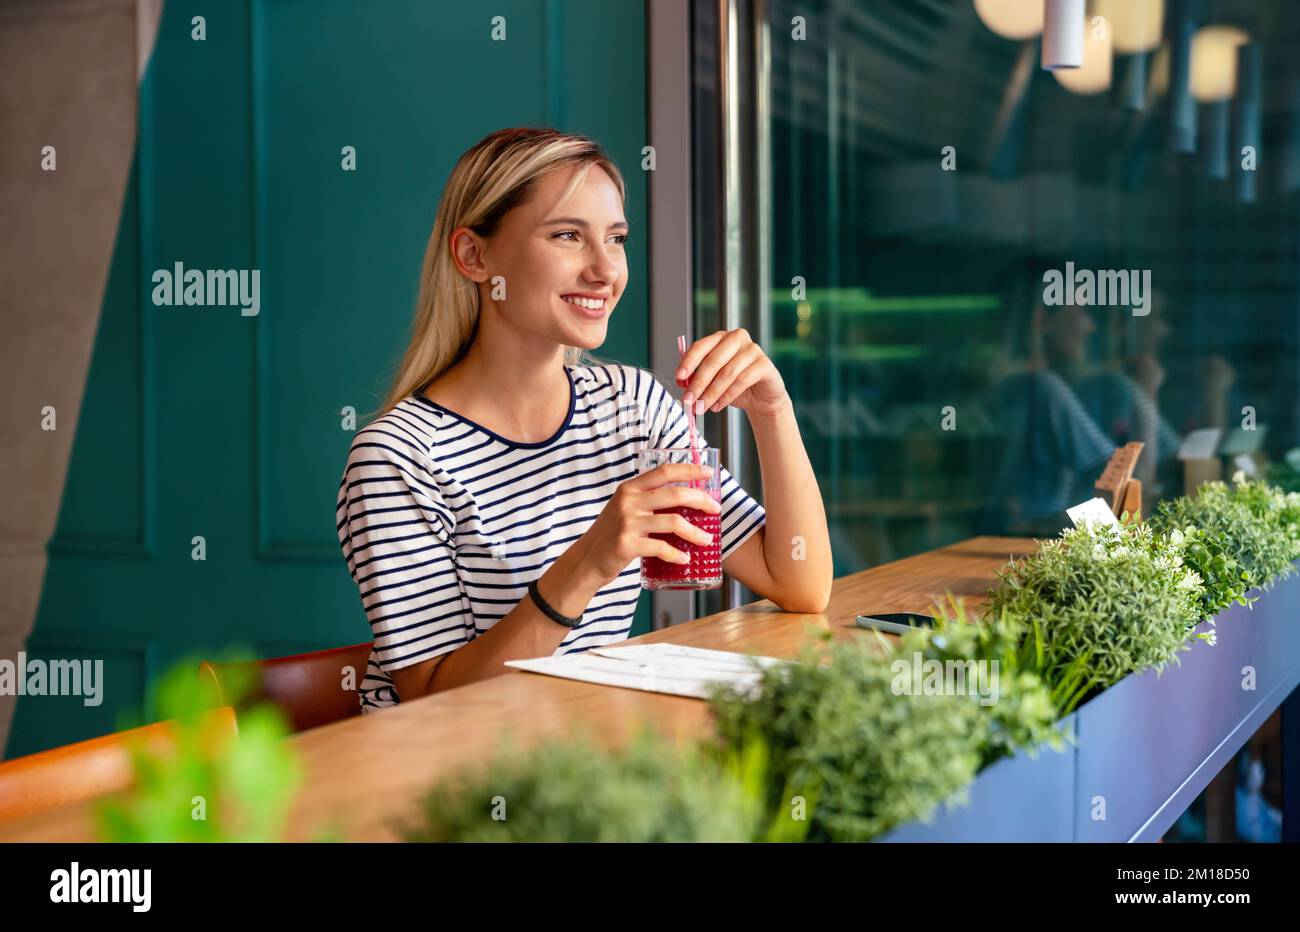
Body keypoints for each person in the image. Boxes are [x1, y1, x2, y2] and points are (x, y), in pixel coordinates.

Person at [336, 128, 832, 712]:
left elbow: (800, 584)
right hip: (448, 776)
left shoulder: (633, 406)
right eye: (568, 235)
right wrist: (591, 558)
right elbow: (436, 701)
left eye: (616, 239)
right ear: (475, 256)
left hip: (581, 754)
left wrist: (774, 412)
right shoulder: (400, 456)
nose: (605, 270)